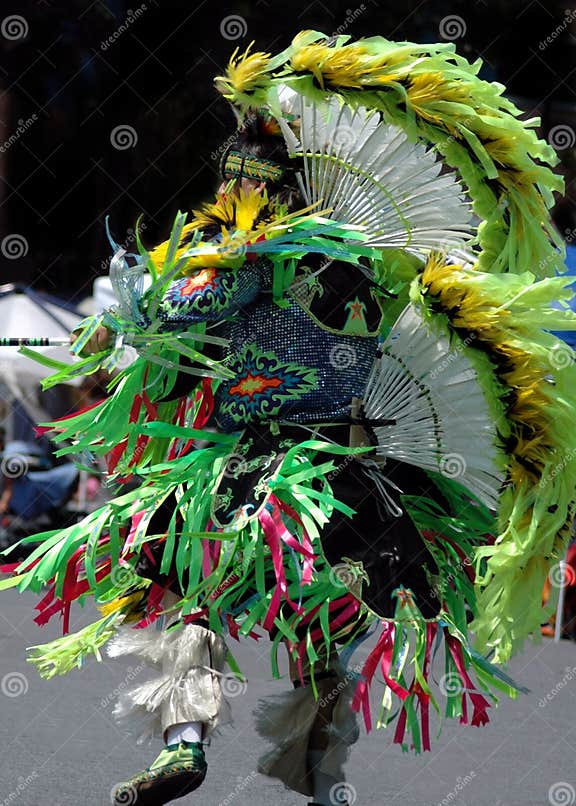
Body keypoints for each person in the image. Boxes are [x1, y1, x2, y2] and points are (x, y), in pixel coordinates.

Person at [2, 30, 576, 806]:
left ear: (265, 189)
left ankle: (186, 741)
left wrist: (132, 310)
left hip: (252, 470)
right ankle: (320, 776)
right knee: (325, 627)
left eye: (246, 182)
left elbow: (177, 318)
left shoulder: (245, 260)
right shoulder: (370, 261)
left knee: (178, 591)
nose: (239, 195)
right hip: (354, 471)